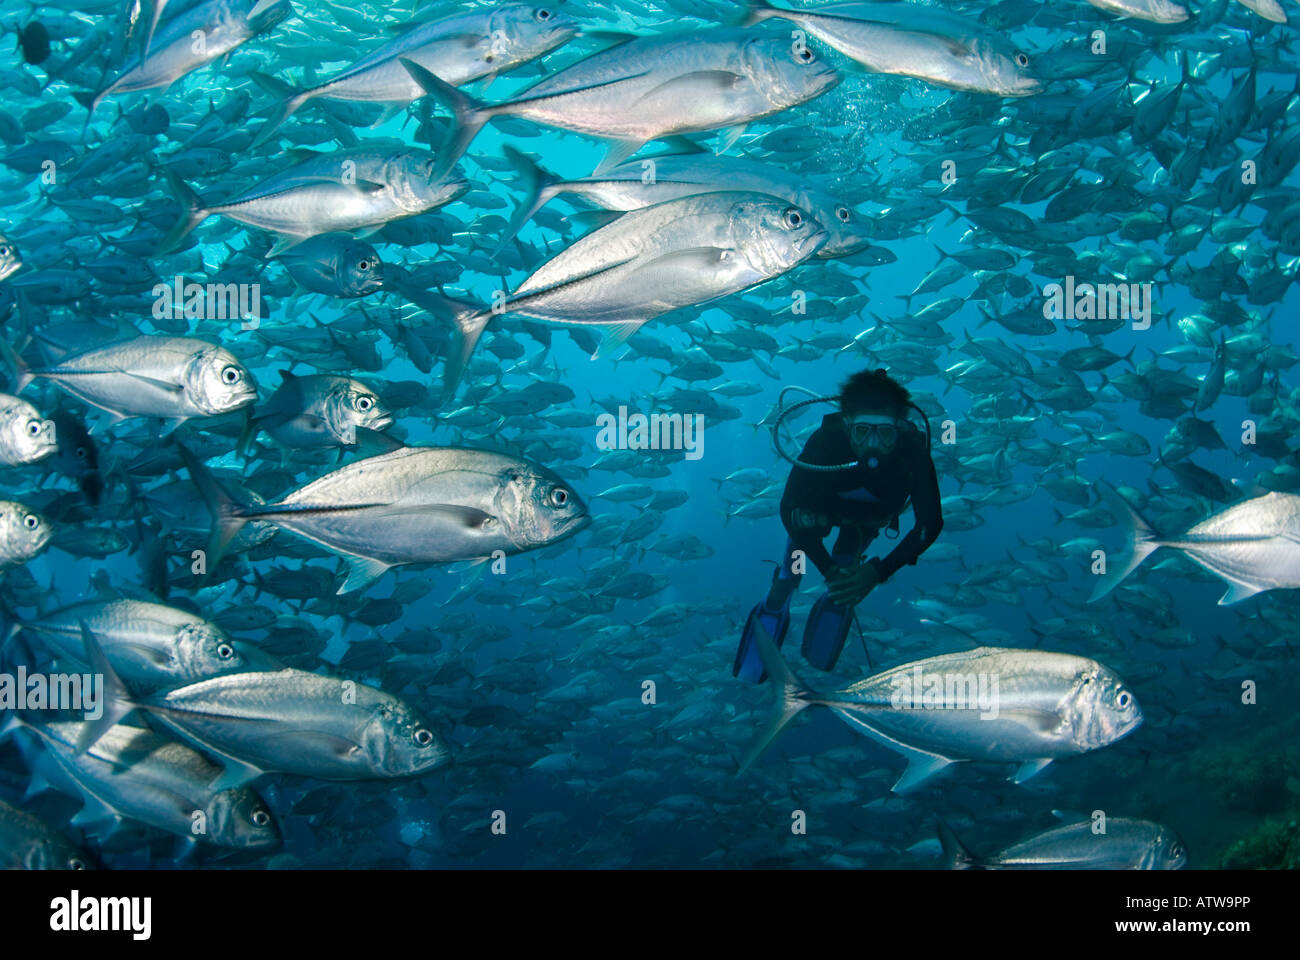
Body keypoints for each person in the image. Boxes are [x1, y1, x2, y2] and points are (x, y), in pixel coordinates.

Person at [733, 368, 944, 681]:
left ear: (899, 428)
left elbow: (929, 525)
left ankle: (836, 588)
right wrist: (828, 570)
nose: (872, 445)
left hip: (866, 523)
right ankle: (781, 592)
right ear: (847, 426)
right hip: (815, 520)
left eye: (884, 434)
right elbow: (789, 508)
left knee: (847, 573)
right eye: (862, 432)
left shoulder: (912, 450)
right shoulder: (826, 443)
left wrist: (875, 573)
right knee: (792, 572)